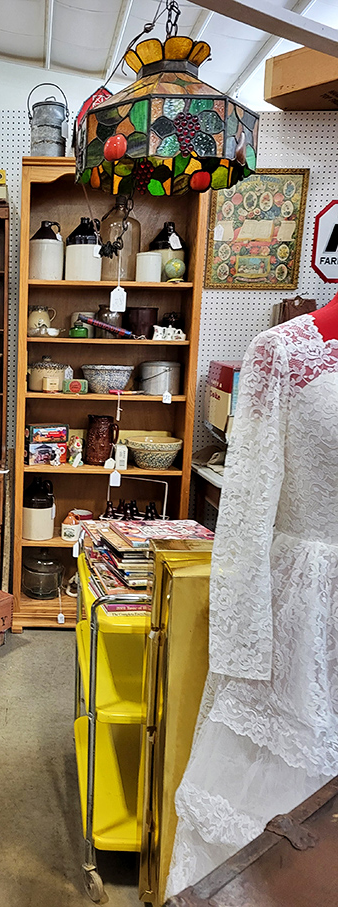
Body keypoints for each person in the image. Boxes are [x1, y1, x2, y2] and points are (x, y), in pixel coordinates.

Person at [167, 292, 338, 896]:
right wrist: (240, 641)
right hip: (301, 610)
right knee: (273, 808)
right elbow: (242, 518)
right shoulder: (282, 354)